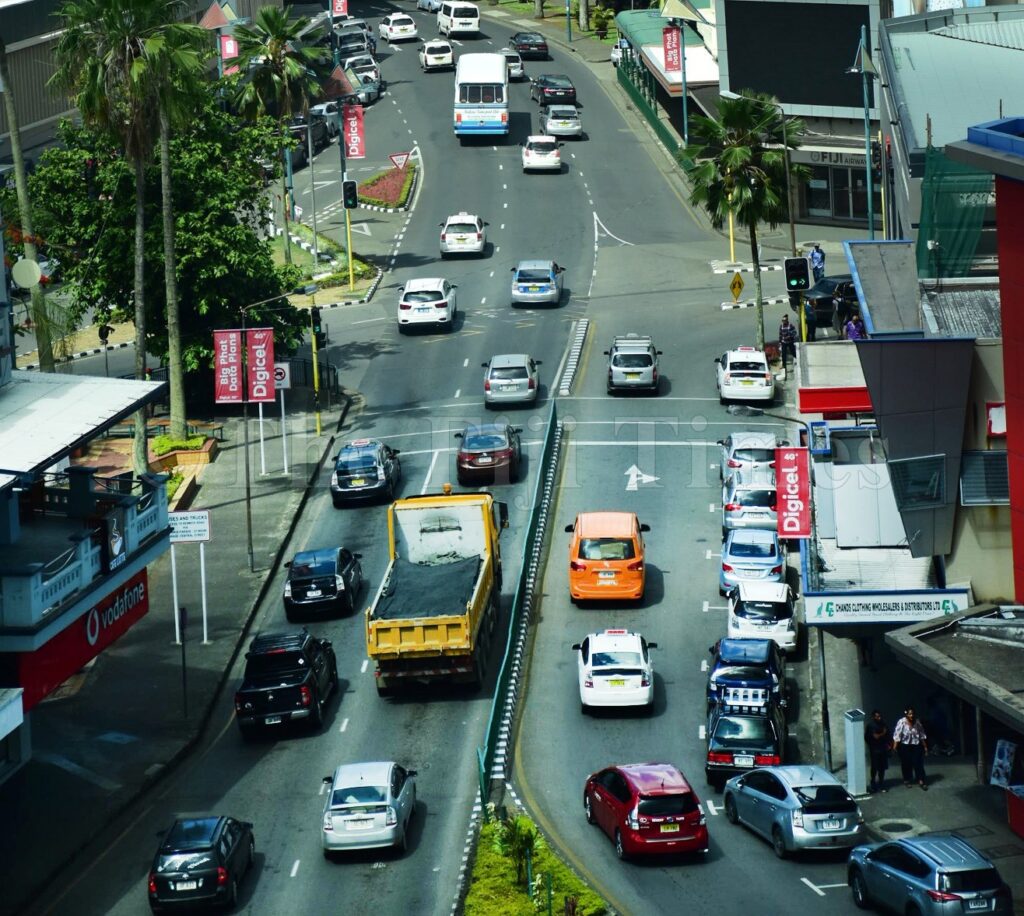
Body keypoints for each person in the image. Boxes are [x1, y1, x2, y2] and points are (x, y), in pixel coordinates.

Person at [893, 707, 929, 790]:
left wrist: (925, 746)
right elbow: (897, 735)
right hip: (905, 746)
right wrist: (894, 747)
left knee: (918, 763)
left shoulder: (917, 722)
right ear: (906, 714)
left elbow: (921, 735)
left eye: (912, 714)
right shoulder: (901, 722)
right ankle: (907, 780)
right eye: (909, 714)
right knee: (906, 763)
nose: (911, 715)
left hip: (916, 745)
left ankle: (921, 780)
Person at [864, 710, 891, 793]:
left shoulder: (883, 724)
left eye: (880, 716)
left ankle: (881, 783)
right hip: (875, 749)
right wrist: (883, 733)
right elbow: (875, 737)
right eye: (877, 716)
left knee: (882, 767)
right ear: (873, 717)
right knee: (875, 767)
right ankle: (873, 783)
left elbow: (888, 735)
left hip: (882, 749)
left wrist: (889, 744)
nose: (879, 718)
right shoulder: (871, 726)